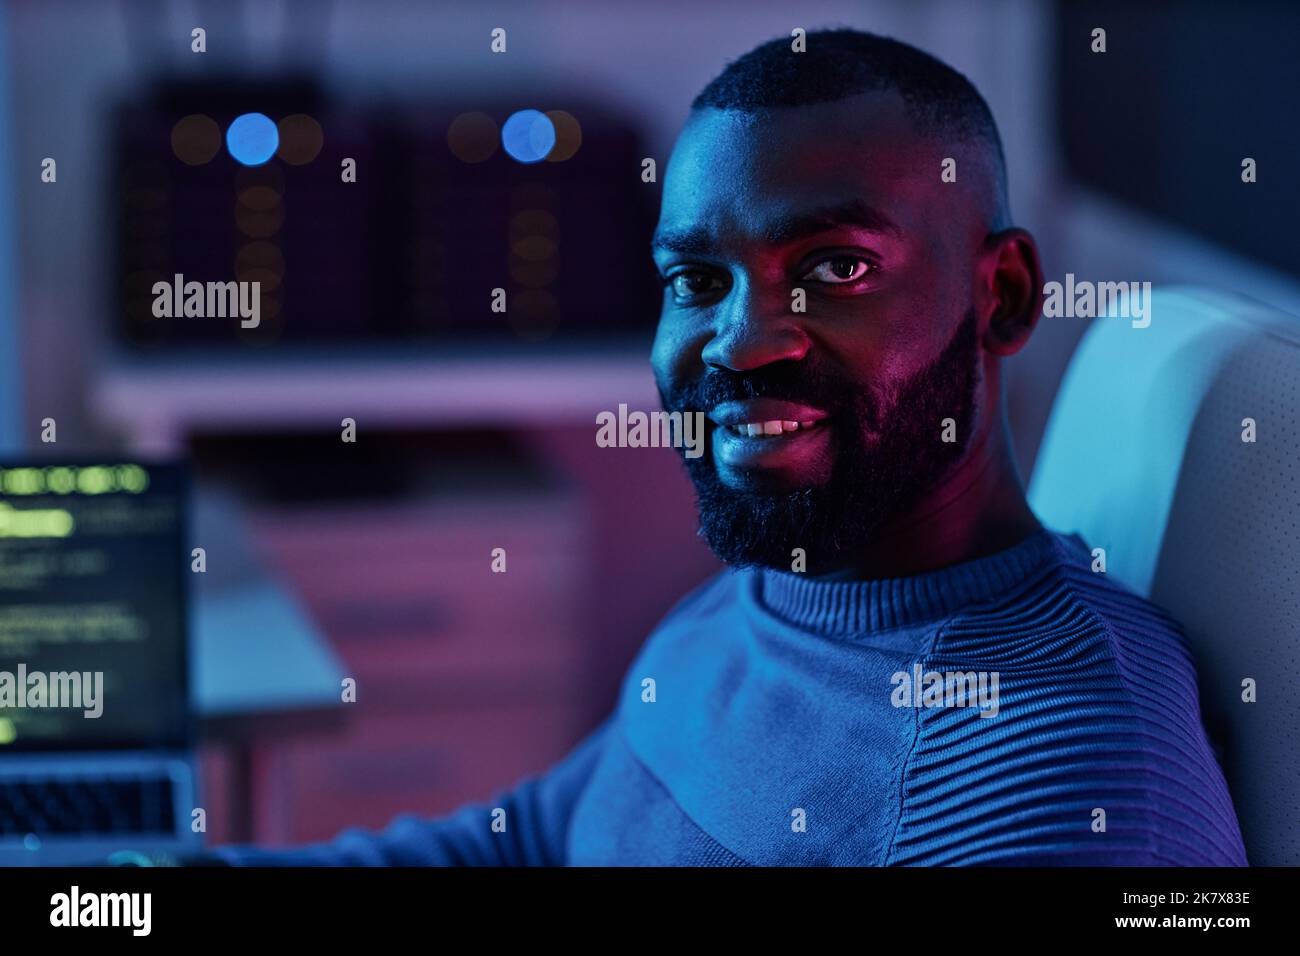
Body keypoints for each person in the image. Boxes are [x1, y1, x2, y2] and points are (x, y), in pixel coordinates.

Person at [202, 29, 1247, 866]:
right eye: (697, 281)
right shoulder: (763, 594)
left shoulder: (1058, 781)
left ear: (1002, 294)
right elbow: (534, 838)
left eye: (835, 267)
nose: (741, 342)